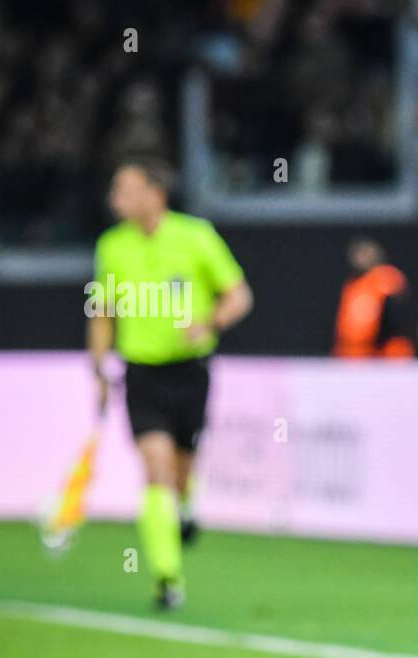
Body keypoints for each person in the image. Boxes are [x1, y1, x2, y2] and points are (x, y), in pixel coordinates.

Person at [87, 158, 253, 609]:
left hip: (190, 372)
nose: (115, 199)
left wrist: (211, 321)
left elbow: (239, 295)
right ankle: (167, 577)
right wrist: (99, 369)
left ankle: (185, 509)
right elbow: (102, 311)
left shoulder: (196, 236)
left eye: (125, 189)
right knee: (155, 469)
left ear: (154, 193)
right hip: (141, 373)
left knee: (181, 472)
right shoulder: (112, 247)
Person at [333, 237, 413, 358]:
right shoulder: (352, 284)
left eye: (366, 253)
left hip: (384, 353)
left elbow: (398, 315)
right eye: (358, 254)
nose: (361, 258)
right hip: (354, 352)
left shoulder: (386, 278)